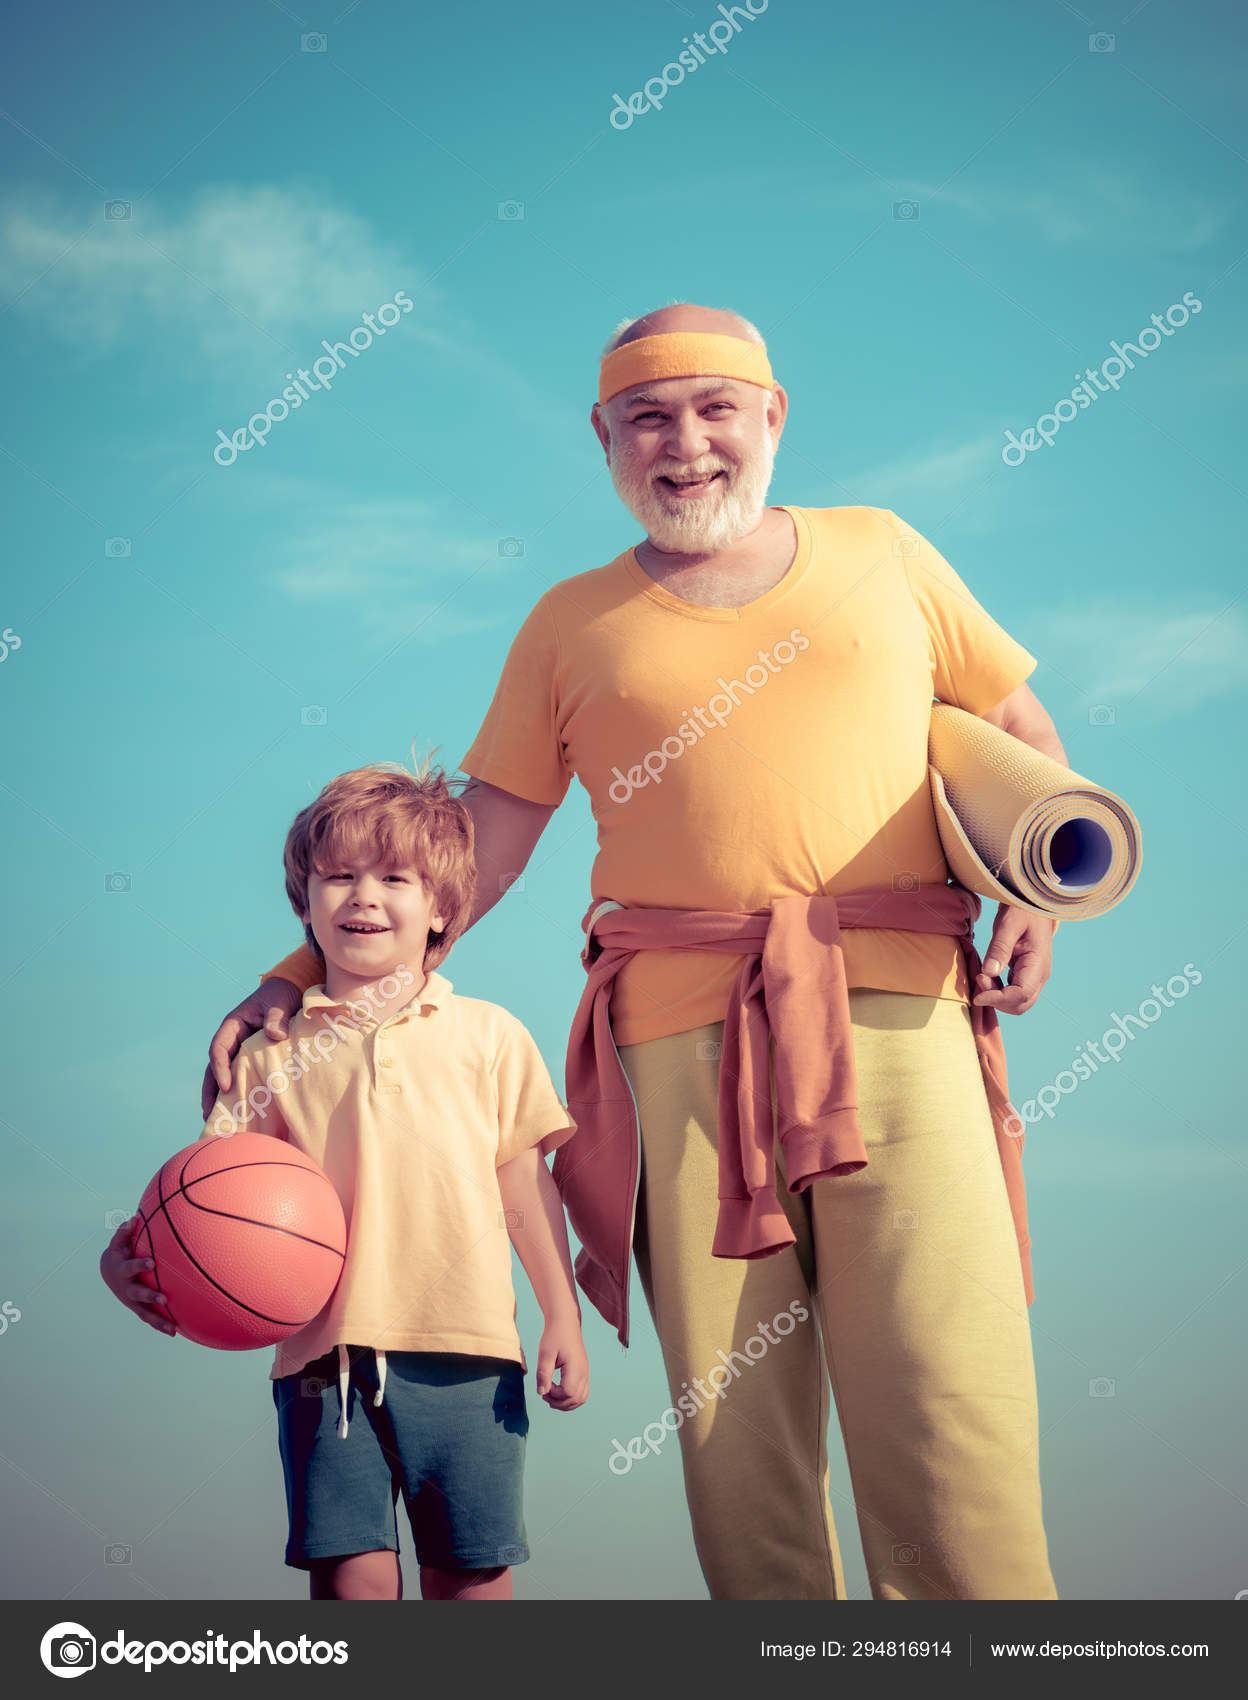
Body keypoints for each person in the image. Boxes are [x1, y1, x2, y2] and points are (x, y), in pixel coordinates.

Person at [201, 302, 1065, 1601]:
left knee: (955, 1400)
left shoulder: (884, 553)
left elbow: (1019, 729)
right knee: (738, 1444)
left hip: (904, 1017)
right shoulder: (571, 622)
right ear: (602, 438)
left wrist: (1038, 900)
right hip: (679, 1055)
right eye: (648, 418)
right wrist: (297, 977)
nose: (687, 443)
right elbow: (477, 852)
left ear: (773, 419)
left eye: (718, 409)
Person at [101, 760, 587, 1602]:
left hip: (469, 1351)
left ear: (442, 908)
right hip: (324, 1360)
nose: (364, 896)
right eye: (338, 878)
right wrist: (125, 1265)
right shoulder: (269, 1050)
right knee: (352, 1582)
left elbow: (524, 1184)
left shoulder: (490, 1036)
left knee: (473, 1579)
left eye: (394, 877)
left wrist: (562, 1317)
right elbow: (208, 1201)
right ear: (305, 904)